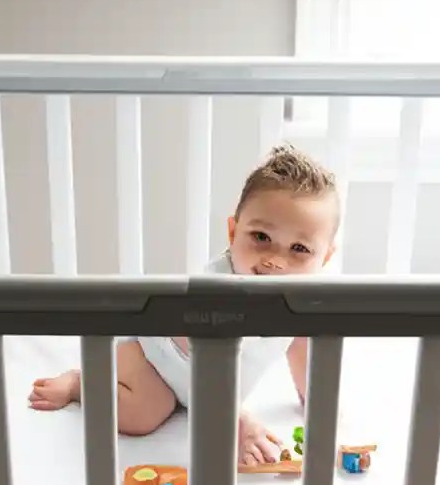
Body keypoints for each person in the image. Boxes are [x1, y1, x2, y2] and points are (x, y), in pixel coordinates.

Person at [28, 143, 339, 466]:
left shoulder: (299, 299)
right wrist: (242, 423)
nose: (275, 260)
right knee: (141, 415)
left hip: (197, 381)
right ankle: (82, 382)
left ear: (325, 257)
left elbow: (300, 343)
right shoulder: (218, 292)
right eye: (261, 237)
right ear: (233, 232)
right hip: (154, 358)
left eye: (299, 248)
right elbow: (211, 371)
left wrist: (314, 400)